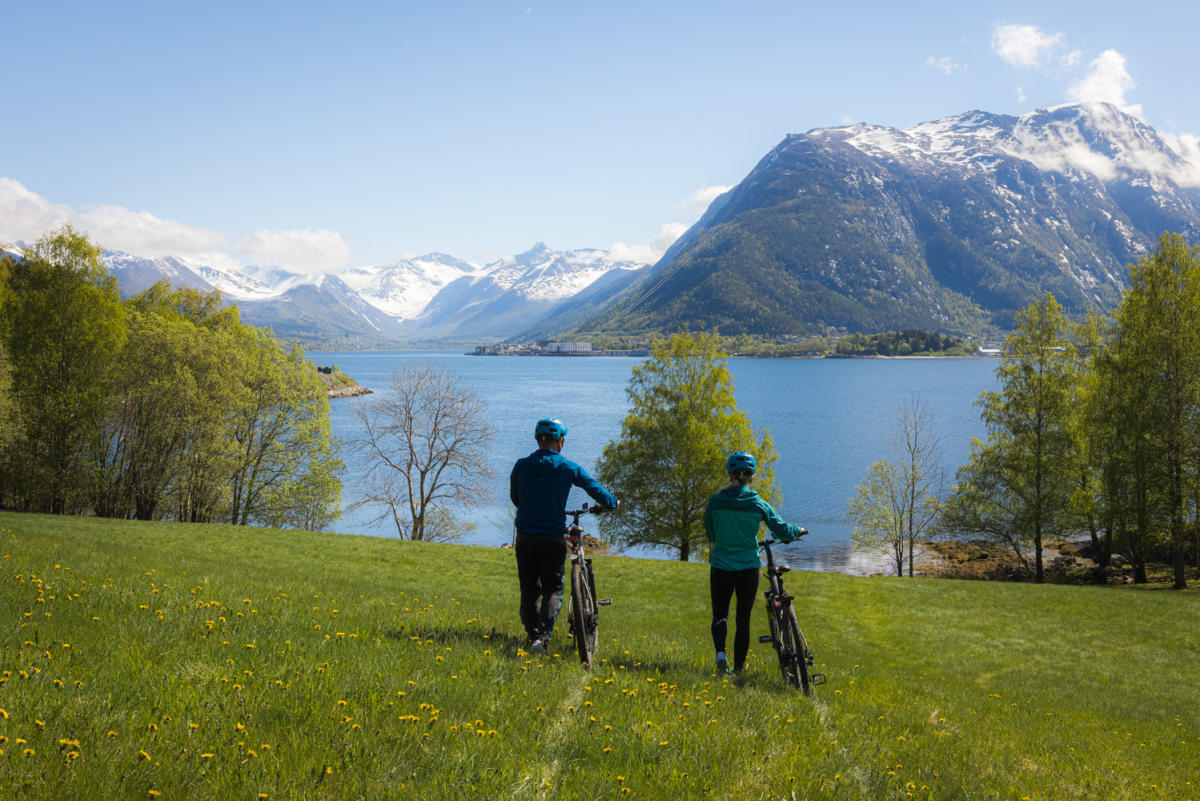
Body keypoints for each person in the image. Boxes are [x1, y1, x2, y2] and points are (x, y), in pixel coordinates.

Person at [510, 417, 618, 653]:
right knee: (553, 588)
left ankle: (533, 635)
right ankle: (543, 638)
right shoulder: (567, 467)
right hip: (551, 538)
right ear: (560, 440)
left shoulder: (521, 465)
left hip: (526, 537)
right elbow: (592, 486)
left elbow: (515, 497)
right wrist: (612, 502)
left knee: (529, 588)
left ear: (539, 440)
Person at [704, 451, 805, 675]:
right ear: (751, 476)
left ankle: (721, 656)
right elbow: (781, 529)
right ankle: (739, 669)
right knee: (743, 618)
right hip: (748, 568)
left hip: (721, 567)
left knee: (720, 614)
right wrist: (799, 530)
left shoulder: (715, 502)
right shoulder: (757, 503)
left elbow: (710, 532)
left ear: (730, 474)